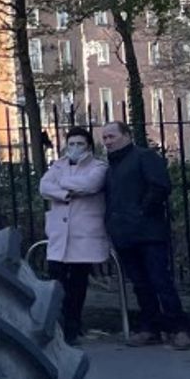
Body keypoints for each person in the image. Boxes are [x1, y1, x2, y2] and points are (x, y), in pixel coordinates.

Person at [100, 120, 190, 350]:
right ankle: (151, 327)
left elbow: (160, 187)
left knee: (160, 279)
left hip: (148, 231)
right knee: (140, 283)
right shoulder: (111, 167)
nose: (108, 142)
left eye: (112, 136)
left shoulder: (144, 157)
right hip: (124, 232)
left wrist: (142, 212)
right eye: (105, 138)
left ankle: (178, 327)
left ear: (126, 135)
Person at [38, 126, 111, 344]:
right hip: (59, 235)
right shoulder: (57, 165)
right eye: (71, 144)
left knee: (77, 286)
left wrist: (59, 185)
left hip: (83, 235)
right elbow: (43, 186)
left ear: (88, 146)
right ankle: (58, 326)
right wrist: (67, 192)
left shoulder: (98, 167)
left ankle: (73, 328)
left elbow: (89, 185)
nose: (75, 148)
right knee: (56, 283)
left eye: (80, 144)